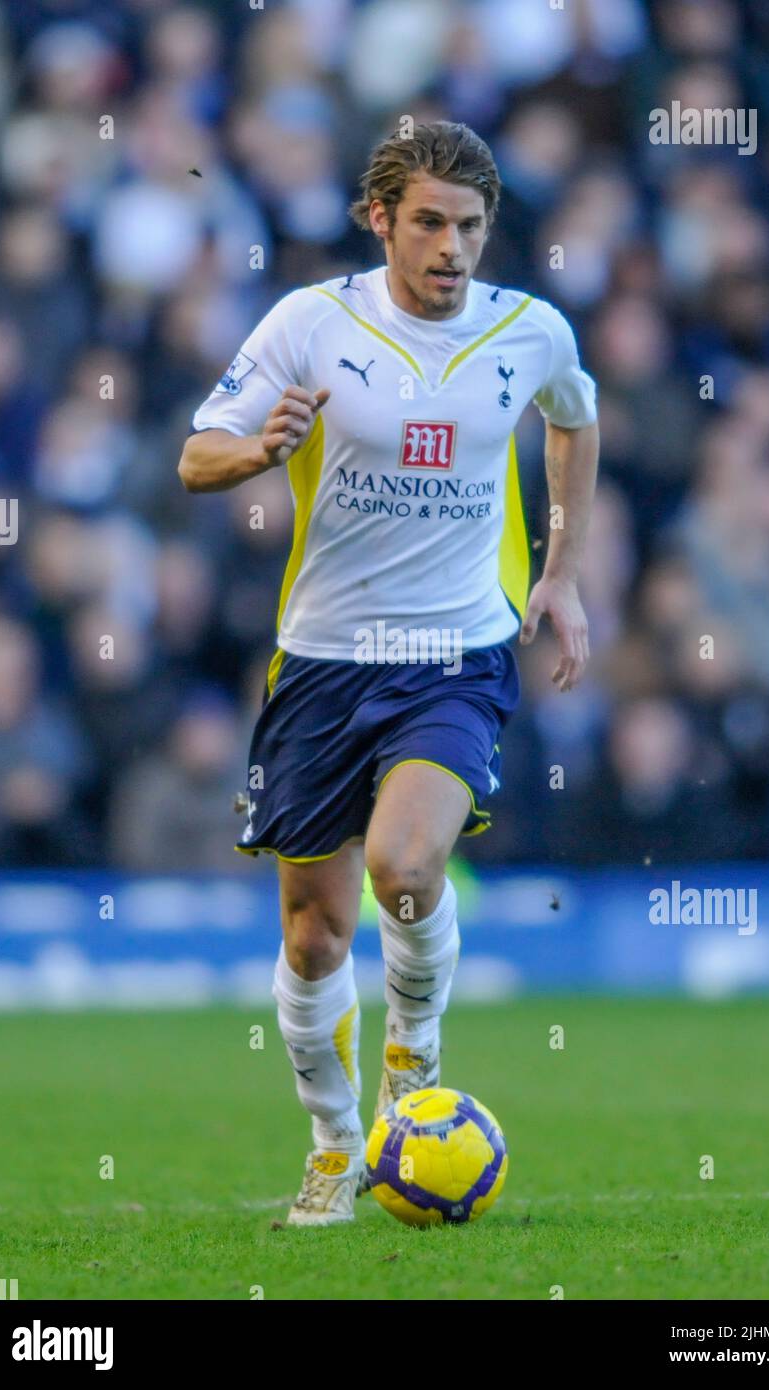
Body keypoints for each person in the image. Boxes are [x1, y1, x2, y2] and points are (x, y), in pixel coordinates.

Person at [178, 121, 599, 1225]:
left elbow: (575, 419)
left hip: (454, 657)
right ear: (380, 220)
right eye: (427, 223)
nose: (450, 247)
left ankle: (412, 1075)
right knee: (312, 933)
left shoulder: (528, 332)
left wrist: (561, 572)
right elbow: (193, 454)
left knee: (406, 868)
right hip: (320, 664)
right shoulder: (310, 324)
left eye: (468, 226)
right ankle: (331, 1140)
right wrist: (260, 450)